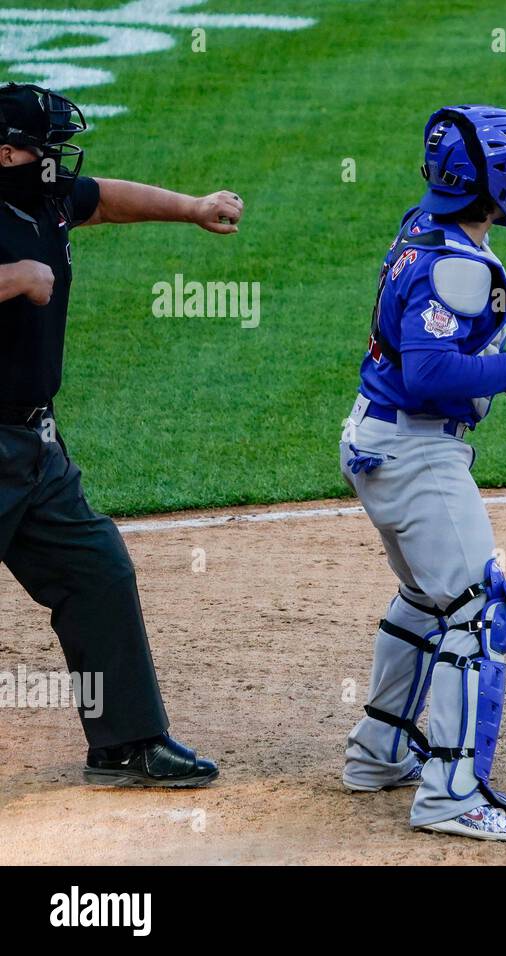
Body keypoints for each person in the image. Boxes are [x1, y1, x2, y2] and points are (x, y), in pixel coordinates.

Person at [339, 104, 506, 841]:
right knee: (478, 607)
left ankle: (378, 753)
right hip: (416, 452)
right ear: (487, 180)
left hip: (378, 440)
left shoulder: (423, 229)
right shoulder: (459, 266)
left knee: (423, 598)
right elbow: (432, 370)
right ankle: (449, 793)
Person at [0, 82, 242, 786]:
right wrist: (12, 277)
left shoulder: (45, 195)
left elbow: (104, 198)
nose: (61, 163)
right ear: (6, 152)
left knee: (96, 571)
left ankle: (127, 740)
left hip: (33, 448)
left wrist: (194, 209)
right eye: (46, 151)